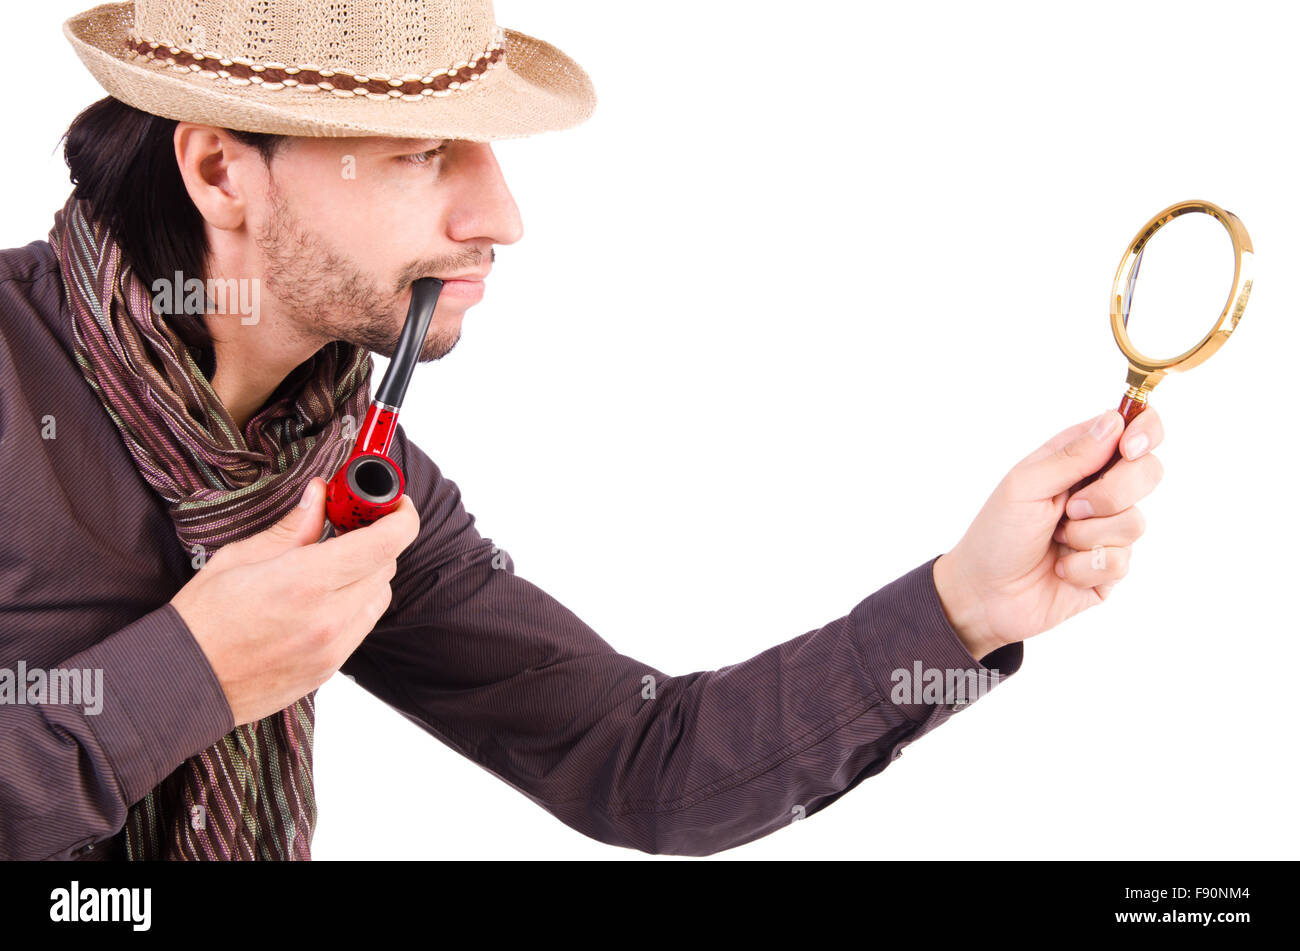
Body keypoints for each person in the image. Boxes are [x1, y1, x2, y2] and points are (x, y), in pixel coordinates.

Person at [0, 0, 1163, 860]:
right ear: (218, 170)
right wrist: (191, 675)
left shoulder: (358, 479)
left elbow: (640, 767)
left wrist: (965, 607)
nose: (500, 214)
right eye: (419, 153)